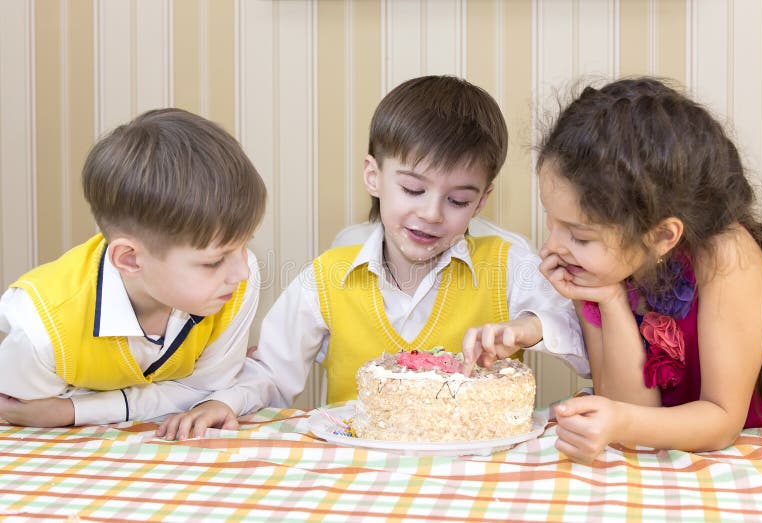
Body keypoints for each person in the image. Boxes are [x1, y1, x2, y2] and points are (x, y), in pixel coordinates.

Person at [164, 74, 587, 436]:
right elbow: (271, 373)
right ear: (374, 176)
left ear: (480, 203)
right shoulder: (327, 277)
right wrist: (227, 402)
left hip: (475, 472)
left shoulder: (508, 265)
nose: (431, 213)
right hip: (356, 472)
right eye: (414, 190)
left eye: (457, 200)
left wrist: (531, 327)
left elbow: (584, 343)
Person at [492, 76, 762, 464]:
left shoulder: (725, 257)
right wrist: (608, 299)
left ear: (661, 236)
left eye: (580, 236)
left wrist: (619, 419)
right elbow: (629, 407)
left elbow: (722, 421)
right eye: (551, 222)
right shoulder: (605, 268)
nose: (551, 248)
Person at [0, 108, 269, 438]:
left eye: (245, 245)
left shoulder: (235, 282)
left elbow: (203, 392)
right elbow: (22, 415)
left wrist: (75, 409)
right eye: (213, 262)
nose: (241, 272)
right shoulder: (43, 331)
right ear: (129, 260)